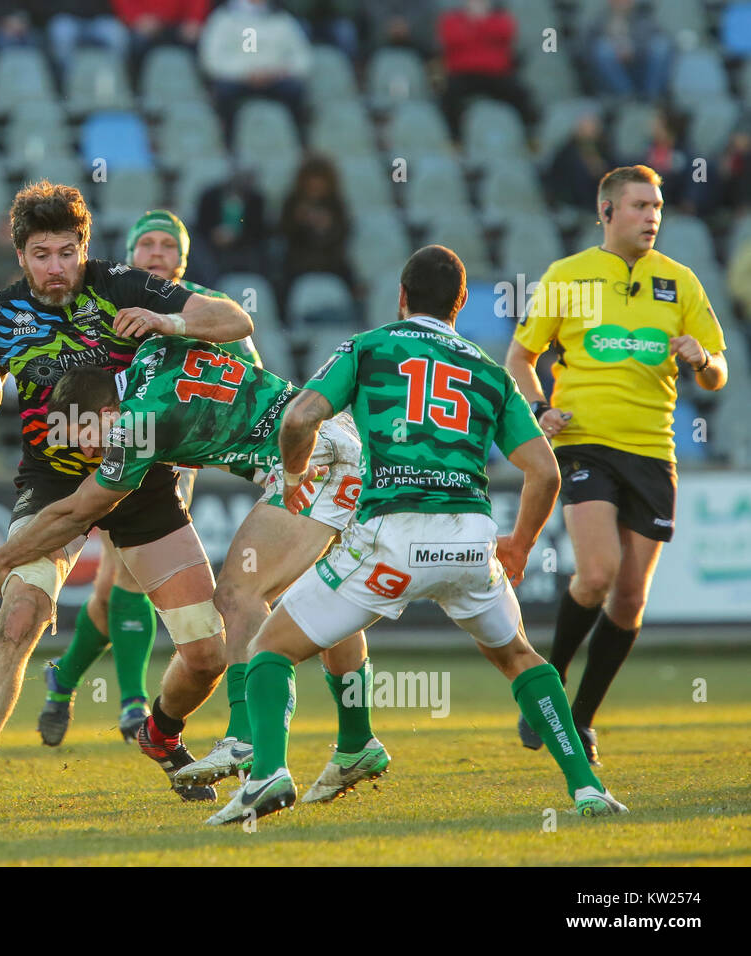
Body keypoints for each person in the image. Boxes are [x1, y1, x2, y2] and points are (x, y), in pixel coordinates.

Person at [208, 244, 629, 826]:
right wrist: (520, 544)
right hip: (470, 544)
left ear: (401, 297)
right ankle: (586, 787)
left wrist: (298, 474)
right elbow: (545, 471)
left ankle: (269, 777)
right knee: (518, 657)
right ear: (460, 305)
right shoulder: (490, 372)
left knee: (269, 649)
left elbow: (300, 416)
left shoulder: (371, 346)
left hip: (393, 540)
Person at [0, 181, 255, 811]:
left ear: (83, 248)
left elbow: (237, 320)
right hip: (51, 481)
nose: (56, 267)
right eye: (42, 254)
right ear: (20, 255)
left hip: (139, 474)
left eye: (67, 252)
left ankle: (160, 733)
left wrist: (167, 319)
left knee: (207, 652)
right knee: (20, 614)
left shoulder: (124, 284)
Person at [0, 328, 390, 804]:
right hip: (342, 439)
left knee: (237, 595)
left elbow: (80, 510)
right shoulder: (155, 350)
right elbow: (227, 321)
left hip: (315, 459)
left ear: (106, 413)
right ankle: (355, 742)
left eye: (89, 441)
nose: (91, 454)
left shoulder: (136, 424)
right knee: (324, 598)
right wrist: (172, 317)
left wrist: (5, 557)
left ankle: (248, 740)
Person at [505, 165, 728, 765]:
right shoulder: (567, 278)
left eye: (657, 206)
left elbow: (718, 374)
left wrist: (701, 356)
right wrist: (537, 409)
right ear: (606, 212)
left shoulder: (679, 283)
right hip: (587, 443)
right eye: (638, 205)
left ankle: (579, 718)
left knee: (629, 599)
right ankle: (545, 686)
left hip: (654, 452)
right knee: (597, 574)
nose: (652, 215)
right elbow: (520, 358)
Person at [37, 209, 262, 749]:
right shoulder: (111, 305)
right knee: (124, 573)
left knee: (116, 582)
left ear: (182, 260)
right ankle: (134, 701)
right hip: (113, 448)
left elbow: (250, 369)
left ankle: (65, 677)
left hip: (177, 457)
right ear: (132, 255)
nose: (157, 253)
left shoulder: (204, 310)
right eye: (147, 244)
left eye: (169, 245)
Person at [199, 0, 310, 142]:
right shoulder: (224, 18)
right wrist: (245, 72)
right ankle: (227, 145)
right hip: (237, 79)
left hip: (275, 77)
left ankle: (298, 143)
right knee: (223, 92)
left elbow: (303, 57)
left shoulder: (282, 19)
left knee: (295, 90)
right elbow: (211, 59)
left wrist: (278, 71)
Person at [437, 0, 531, 138]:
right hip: (463, 73)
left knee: (520, 95)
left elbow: (506, 33)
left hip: (495, 73)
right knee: (449, 98)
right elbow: (451, 37)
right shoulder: (452, 18)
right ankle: (453, 137)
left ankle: (527, 134)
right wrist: (482, 28)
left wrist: (474, 26)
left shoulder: (500, 17)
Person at [279, 153, 352, 300]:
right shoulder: (292, 202)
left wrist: (326, 227)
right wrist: (299, 221)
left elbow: (343, 232)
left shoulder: (336, 204)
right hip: (298, 260)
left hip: (331, 260)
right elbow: (283, 231)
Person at [583, 0, 671, 100]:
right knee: (603, 50)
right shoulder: (600, 19)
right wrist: (615, 46)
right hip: (615, 75)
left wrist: (633, 50)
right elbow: (586, 47)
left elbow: (659, 38)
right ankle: (627, 98)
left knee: (661, 45)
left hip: (643, 70)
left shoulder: (644, 16)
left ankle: (653, 97)